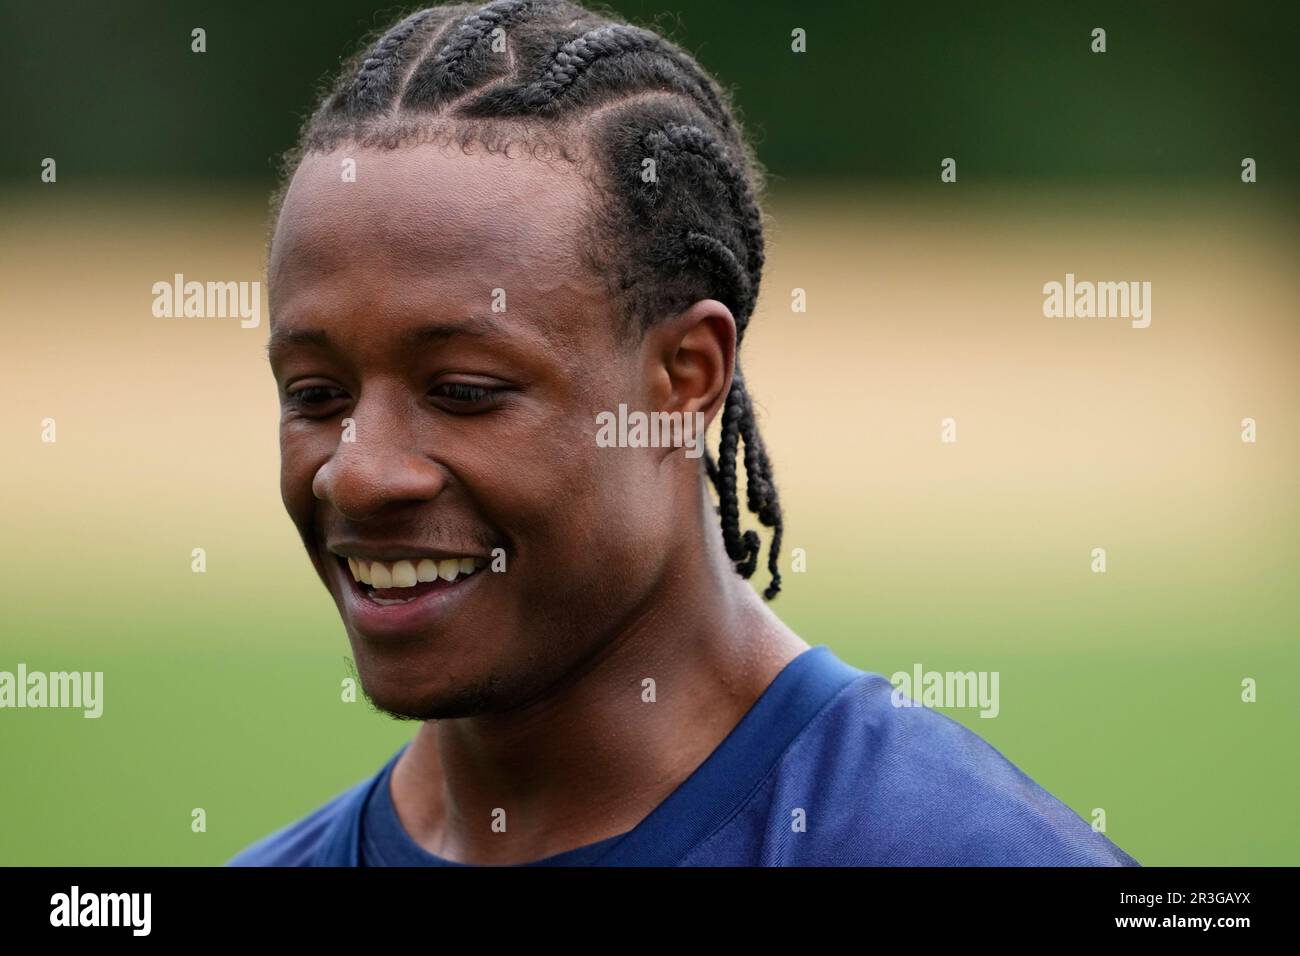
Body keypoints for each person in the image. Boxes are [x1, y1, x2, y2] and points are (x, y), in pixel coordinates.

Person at [230, 0, 1138, 867]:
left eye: (464, 390)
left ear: (685, 378)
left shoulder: (955, 847)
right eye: (315, 395)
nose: (359, 475)